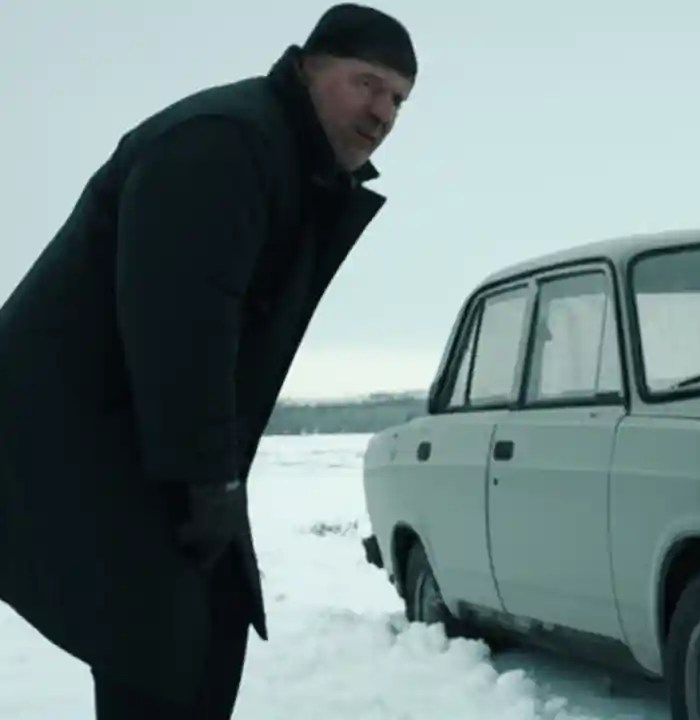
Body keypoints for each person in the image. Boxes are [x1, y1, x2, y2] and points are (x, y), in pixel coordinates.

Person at [0, 4, 415, 718]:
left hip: (141, 438)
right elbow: (181, 315)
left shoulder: (283, 157)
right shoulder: (225, 143)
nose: (382, 112)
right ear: (308, 68)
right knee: (160, 647)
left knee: (199, 633)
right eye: (367, 84)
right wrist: (206, 477)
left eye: (399, 100)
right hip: (80, 436)